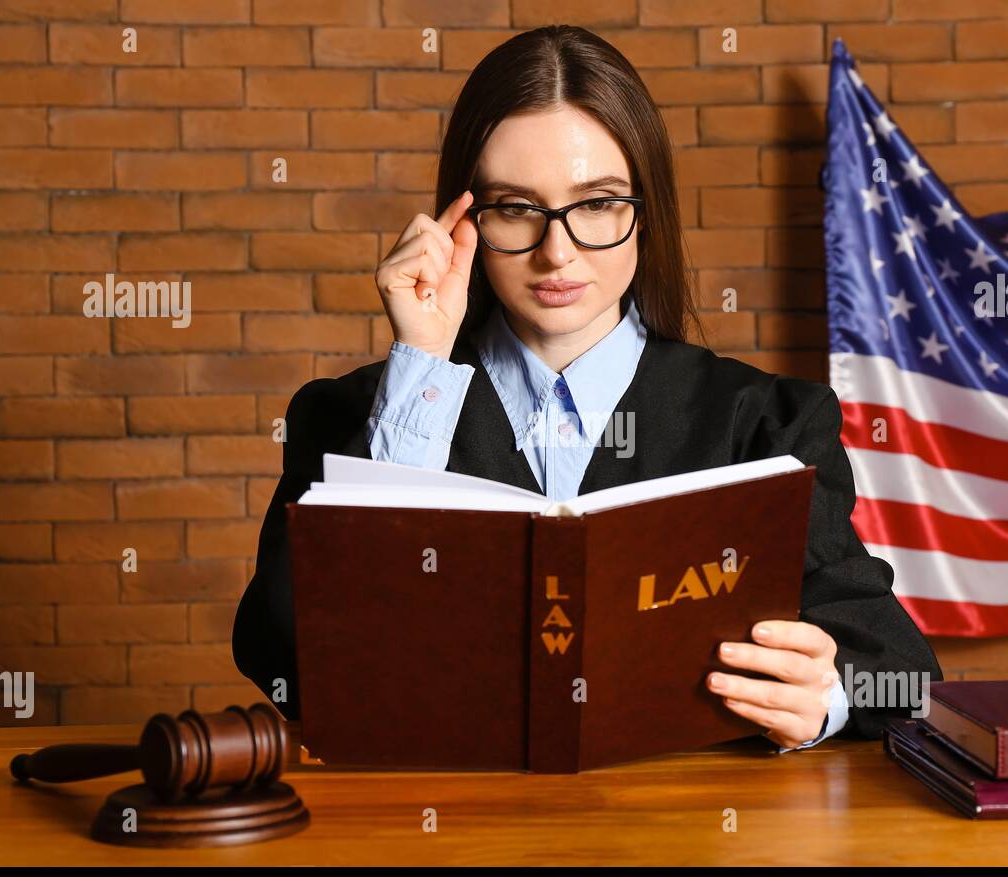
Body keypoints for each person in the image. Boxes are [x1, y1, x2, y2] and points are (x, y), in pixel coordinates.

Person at [232, 25, 942, 753]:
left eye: (597, 203)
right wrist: (419, 368)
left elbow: (900, 669)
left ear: (646, 211)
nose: (557, 252)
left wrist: (822, 694)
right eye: (515, 208)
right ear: (463, 222)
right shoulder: (348, 417)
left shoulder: (765, 423)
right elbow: (282, 650)